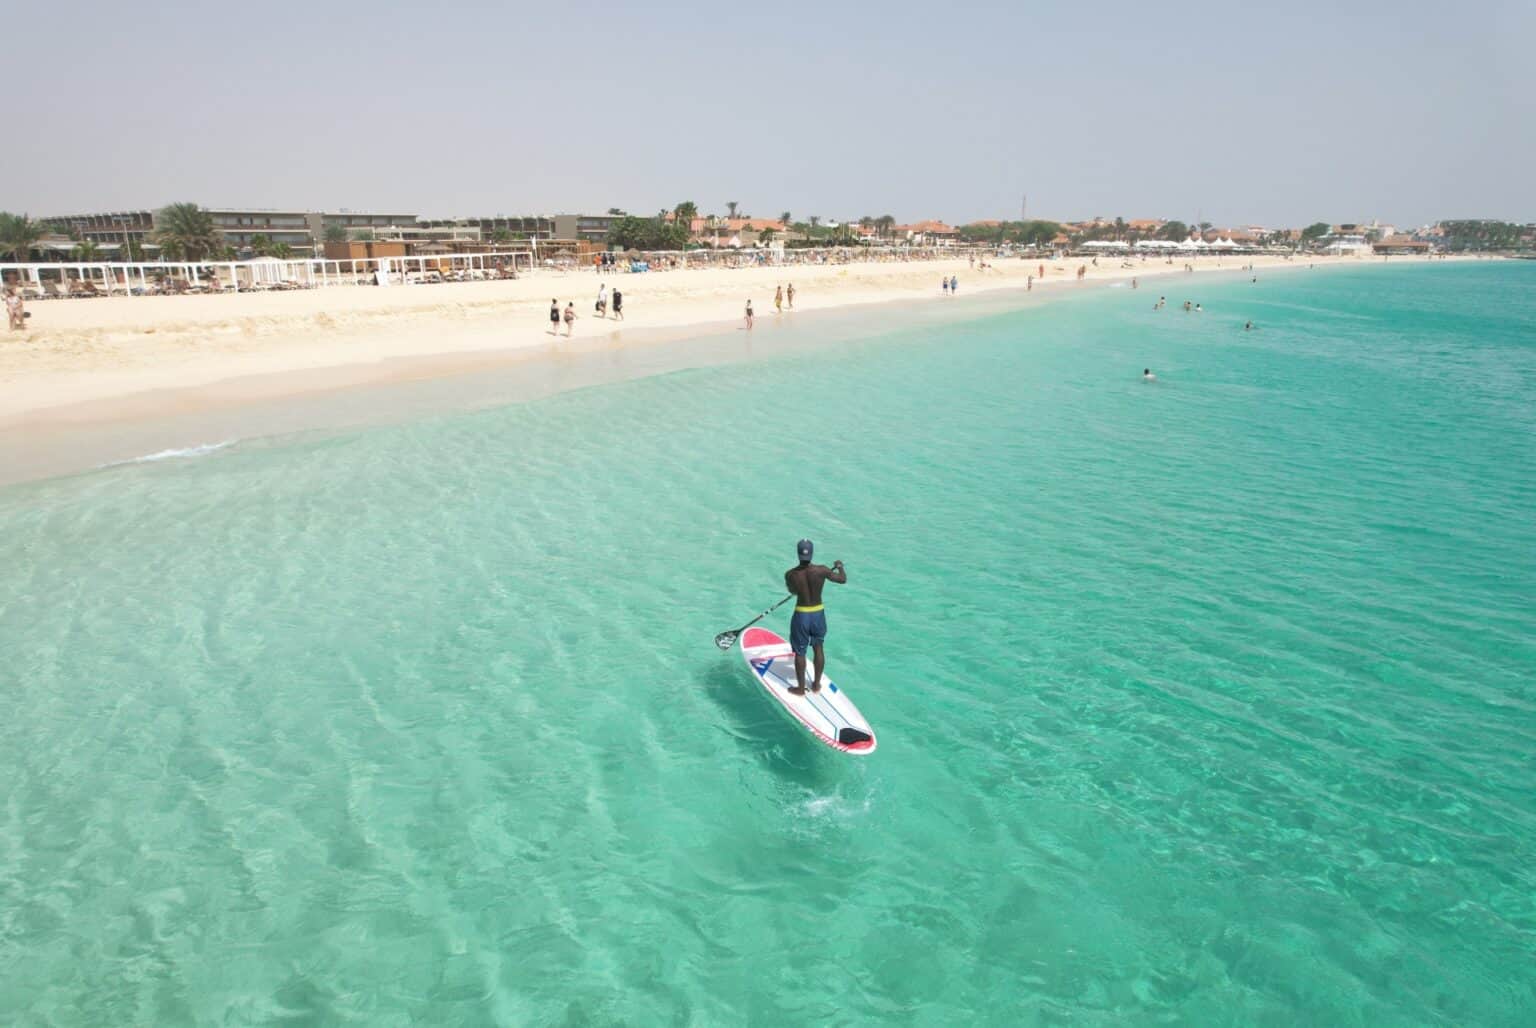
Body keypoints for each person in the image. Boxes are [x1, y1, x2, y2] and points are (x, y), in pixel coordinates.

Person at [783, 539, 847, 694]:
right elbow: (842, 579)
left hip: (802, 615)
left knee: (800, 652)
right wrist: (840, 567)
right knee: (818, 648)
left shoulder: (790, 574)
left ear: (798, 553)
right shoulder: (822, 570)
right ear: (812, 553)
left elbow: (793, 591)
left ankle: (800, 689)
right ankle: (816, 684)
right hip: (818, 614)